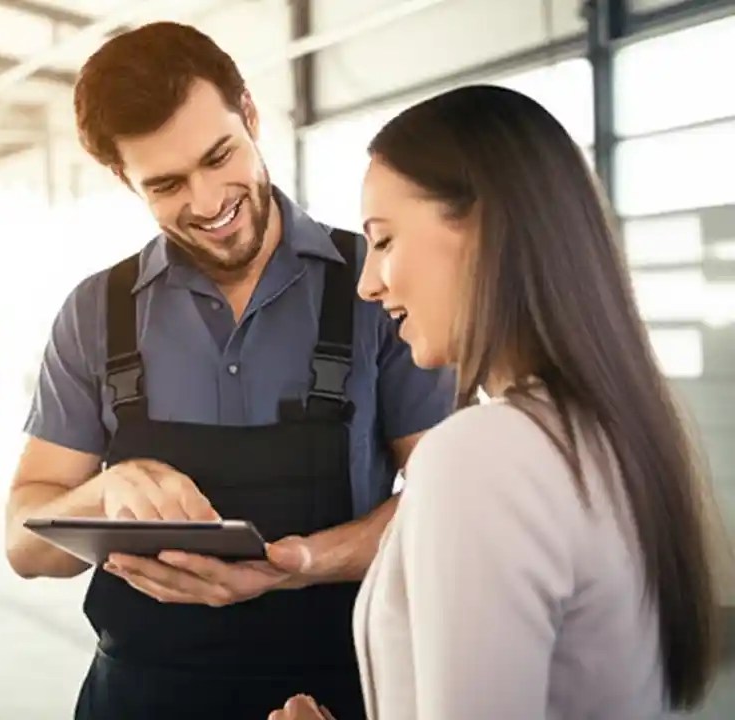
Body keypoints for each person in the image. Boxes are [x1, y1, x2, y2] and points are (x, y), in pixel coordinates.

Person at [2, 21, 455, 720]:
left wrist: (298, 565)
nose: (209, 202)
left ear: (249, 113)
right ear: (125, 179)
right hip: (137, 700)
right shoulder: (95, 314)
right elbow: (27, 547)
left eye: (220, 157)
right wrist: (106, 491)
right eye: (168, 184)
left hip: (330, 697)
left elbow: (444, 513)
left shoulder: (377, 289)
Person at [268, 84, 724, 720]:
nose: (369, 283)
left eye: (386, 240)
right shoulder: (612, 431)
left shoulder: (482, 454)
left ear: (482, 229)